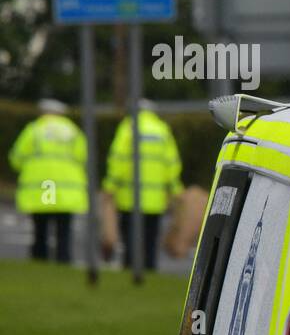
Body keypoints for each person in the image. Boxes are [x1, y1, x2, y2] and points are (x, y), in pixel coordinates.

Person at [104, 99, 182, 271]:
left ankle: (130, 268)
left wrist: (110, 186)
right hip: (155, 199)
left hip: (130, 197)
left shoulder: (128, 128)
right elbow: (172, 163)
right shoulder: (162, 130)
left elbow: (118, 159)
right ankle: (149, 269)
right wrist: (175, 190)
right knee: (150, 239)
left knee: (131, 237)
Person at [7, 99, 88, 263]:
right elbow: (83, 157)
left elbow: (16, 158)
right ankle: (63, 261)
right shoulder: (73, 131)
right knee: (63, 231)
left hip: (43, 187)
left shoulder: (35, 129)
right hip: (67, 189)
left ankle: (40, 261)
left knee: (41, 229)